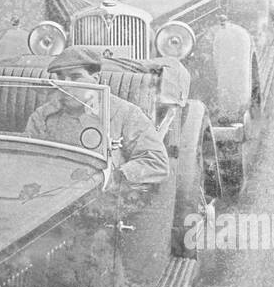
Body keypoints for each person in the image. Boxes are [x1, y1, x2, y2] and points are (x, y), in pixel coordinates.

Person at [24, 48, 169, 185]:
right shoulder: (43, 115)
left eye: (75, 77)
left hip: (104, 198)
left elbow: (156, 162)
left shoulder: (126, 114)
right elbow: (27, 159)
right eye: (60, 77)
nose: (65, 85)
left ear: (96, 79)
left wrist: (112, 176)